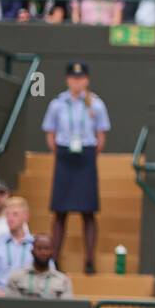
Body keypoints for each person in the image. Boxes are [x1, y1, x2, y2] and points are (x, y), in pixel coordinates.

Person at [42, 61, 110, 274]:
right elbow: (50, 134)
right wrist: (61, 152)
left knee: (88, 211)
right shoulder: (57, 104)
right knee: (60, 211)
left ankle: (89, 260)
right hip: (64, 157)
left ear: (87, 79)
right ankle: (53, 260)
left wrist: (88, 154)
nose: (77, 82)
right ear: (67, 79)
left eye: (81, 78)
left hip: (86, 157)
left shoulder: (96, 104)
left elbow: (101, 137)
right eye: (73, 78)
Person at [3, 233, 73, 299]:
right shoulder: (16, 278)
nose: (43, 252)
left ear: (52, 252)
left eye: (46, 248)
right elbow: (10, 306)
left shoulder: (63, 280)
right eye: (39, 248)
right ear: (32, 251)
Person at [0, 196, 33, 293]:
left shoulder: (35, 245)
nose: (10, 218)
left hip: (29, 297)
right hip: (1, 297)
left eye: (15, 214)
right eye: (7, 215)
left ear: (26, 216)